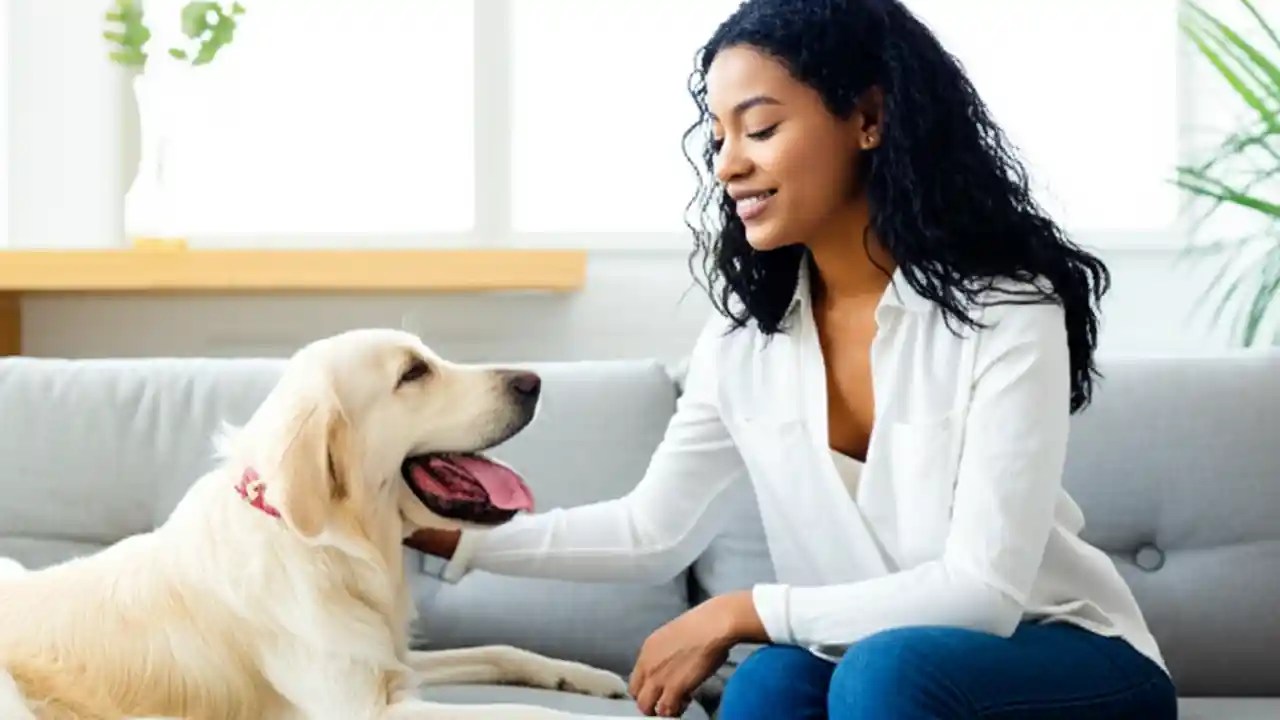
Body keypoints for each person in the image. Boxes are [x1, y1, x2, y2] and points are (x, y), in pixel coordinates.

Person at [406, 0, 1178, 717]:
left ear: (868, 118)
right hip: (879, 660)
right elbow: (651, 530)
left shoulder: (1005, 311)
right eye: (718, 138)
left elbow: (981, 595)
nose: (727, 165)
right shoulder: (745, 342)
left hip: (1069, 658)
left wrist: (744, 610)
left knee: (883, 672)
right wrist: (447, 533)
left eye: (761, 128)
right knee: (772, 682)